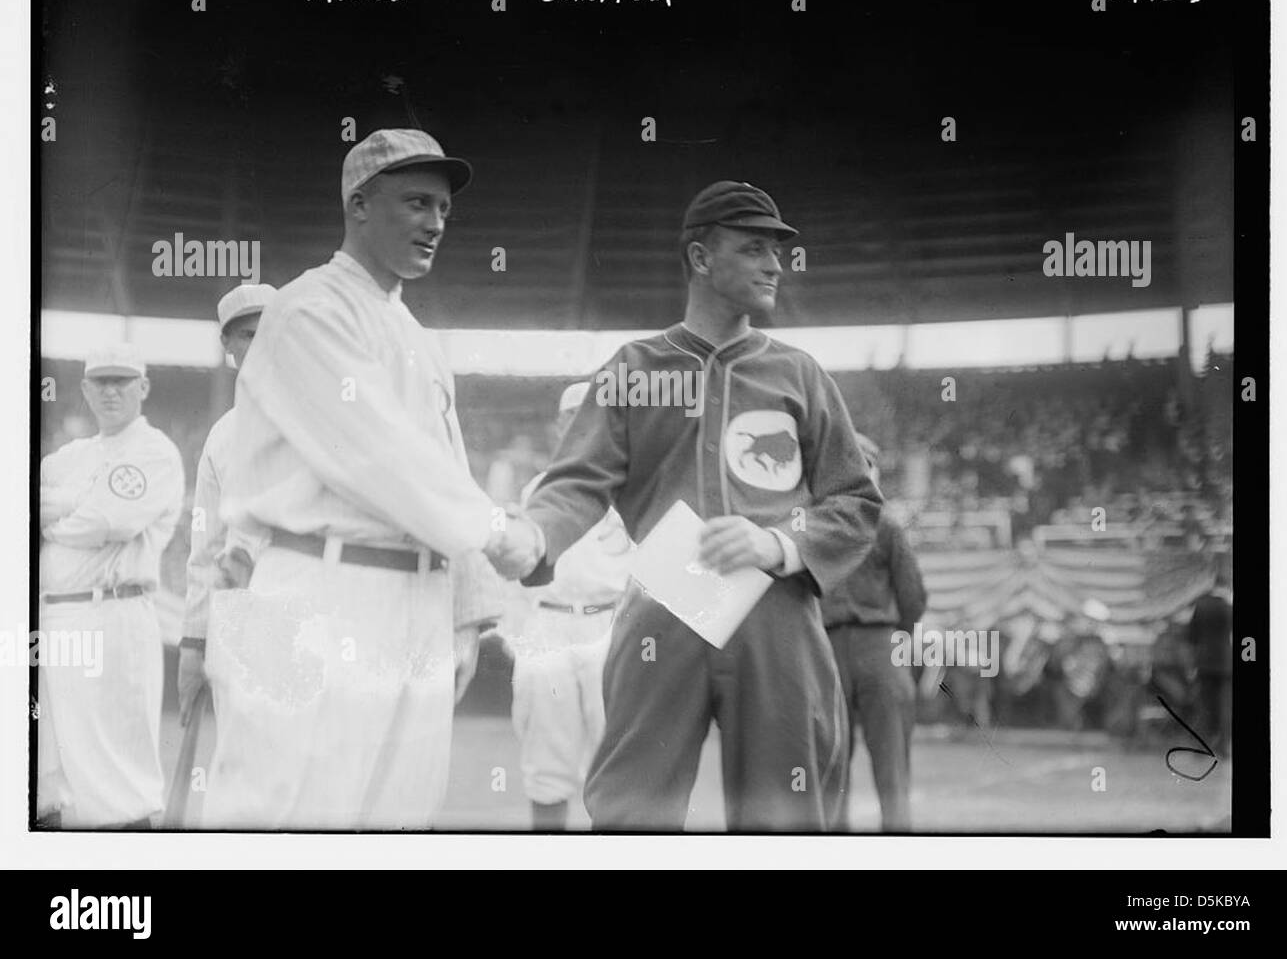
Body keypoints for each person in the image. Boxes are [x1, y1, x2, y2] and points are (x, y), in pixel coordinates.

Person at [496, 180, 883, 831]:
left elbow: (856, 501)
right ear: (701, 259)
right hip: (664, 607)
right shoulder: (634, 366)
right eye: (754, 248)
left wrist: (779, 544)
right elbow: (577, 480)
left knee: (784, 816)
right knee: (629, 811)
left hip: (778, 615)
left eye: (778, 250)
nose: (775, 264)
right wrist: (537, 535)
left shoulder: (799, 373)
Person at [203, 128, 535, 829]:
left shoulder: (413, 332)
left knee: (398, 822)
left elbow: (447, 465)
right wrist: (504, 534)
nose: (436, 222)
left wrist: (467, 615)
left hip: (412, 597)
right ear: (359, 204)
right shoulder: (308, 307)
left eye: (444, 208)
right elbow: (380, 457)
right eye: (416, 202)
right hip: (313, 589)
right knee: (281, 819)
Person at [37, 343, 185, 828]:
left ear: (142, 386)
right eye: (101, 381)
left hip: (115, 614)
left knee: (119, 775)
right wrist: (73, 499)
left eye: (122, 380)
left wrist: (54, 521)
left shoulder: (155, 449)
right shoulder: (74, 454)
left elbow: (107, 520)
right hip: (55, 615)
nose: (111, 390)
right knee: (50, 772)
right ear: (84, 389)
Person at [508, 382, 635, 830]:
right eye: (572, 415)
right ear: (560, 424)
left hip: (610, 623)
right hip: (549, 626)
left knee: (620, 767)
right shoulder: (537, 489)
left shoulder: (632, 486)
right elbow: (518, 577)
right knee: (547, 766)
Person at [177, 282, 276, 730]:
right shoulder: (222, 435)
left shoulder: (328, 416)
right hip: (241, 617)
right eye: (248, 334)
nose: (262, 343)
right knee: (244, 769)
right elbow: (206, 549)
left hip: (315, 607)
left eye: (270, 330)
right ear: (228, 345)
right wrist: (193, 644)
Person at [820, 434, 926, 831]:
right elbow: (912, 596)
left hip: (827, 649)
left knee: (831, 775)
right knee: (893, 772)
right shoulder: (888, 526)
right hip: (881, 644)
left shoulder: (816, 522)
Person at [1188, 553, 1233, 758]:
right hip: (1226, 663)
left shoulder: (1201, 605)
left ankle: (1202, 747)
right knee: (1225, 706)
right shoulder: (1229, 606)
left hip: (1204, 662)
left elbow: (1192, 636)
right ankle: (1224, 747)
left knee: (1204, 707)